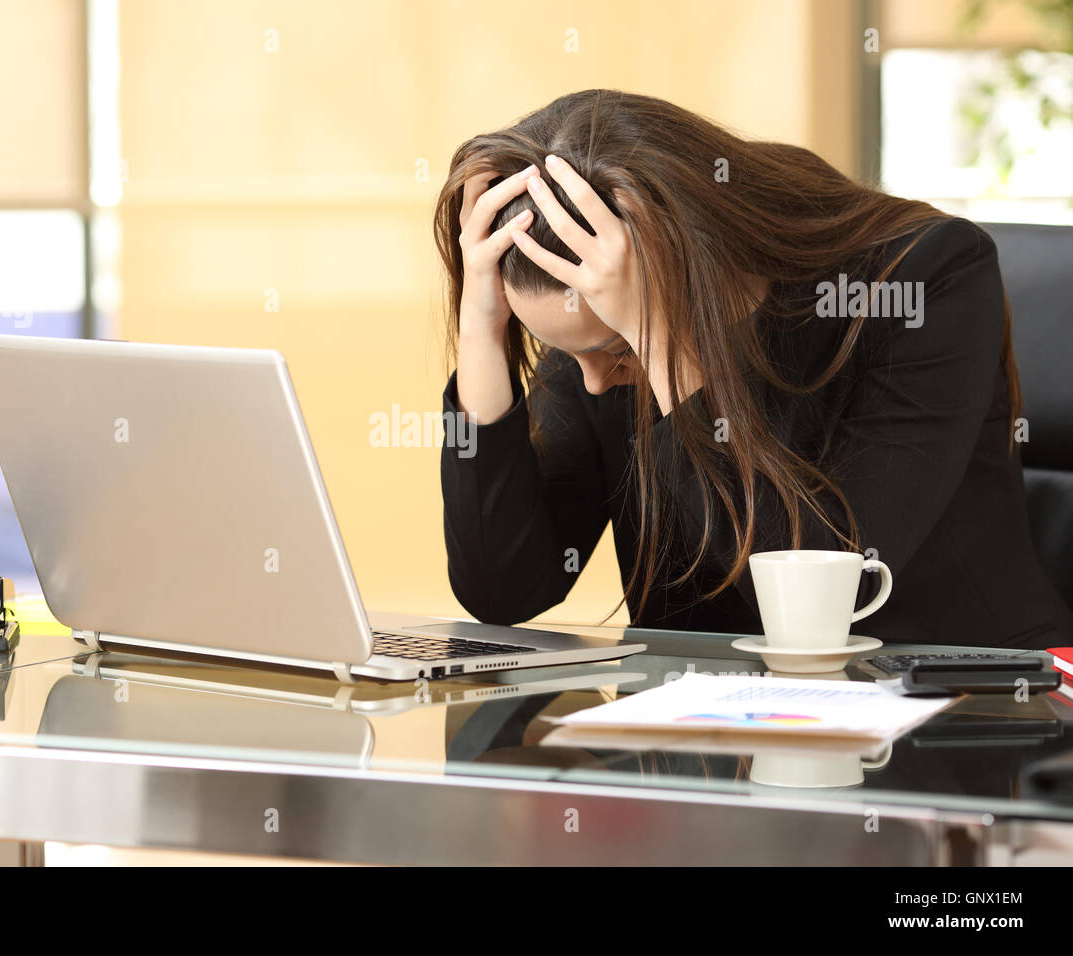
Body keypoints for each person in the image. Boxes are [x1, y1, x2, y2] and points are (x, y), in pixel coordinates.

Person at [434, 89, 1073, 648]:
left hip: (954, 706)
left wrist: (664, 344)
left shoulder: (926, 279)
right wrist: (483, 331)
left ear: (692, 269)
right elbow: (504, 594)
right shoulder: (596, 313)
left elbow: (820, 590)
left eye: (615, 352)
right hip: (706, 721)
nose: (593, 383)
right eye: (567, 355)